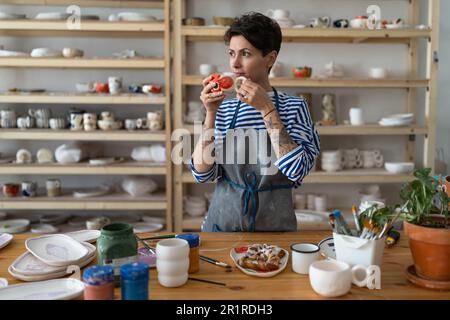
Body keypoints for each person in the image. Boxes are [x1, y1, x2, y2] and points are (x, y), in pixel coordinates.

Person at [190, 12, 320, 232]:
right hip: (223, 229)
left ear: (270, 58)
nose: (235, 64)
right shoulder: (224, 108)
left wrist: (266, 108)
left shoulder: (295, 107)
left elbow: (297, 171)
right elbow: (202, 174)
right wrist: (210, 114)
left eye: (246, 54)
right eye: (232, 53)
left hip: (276, 232)